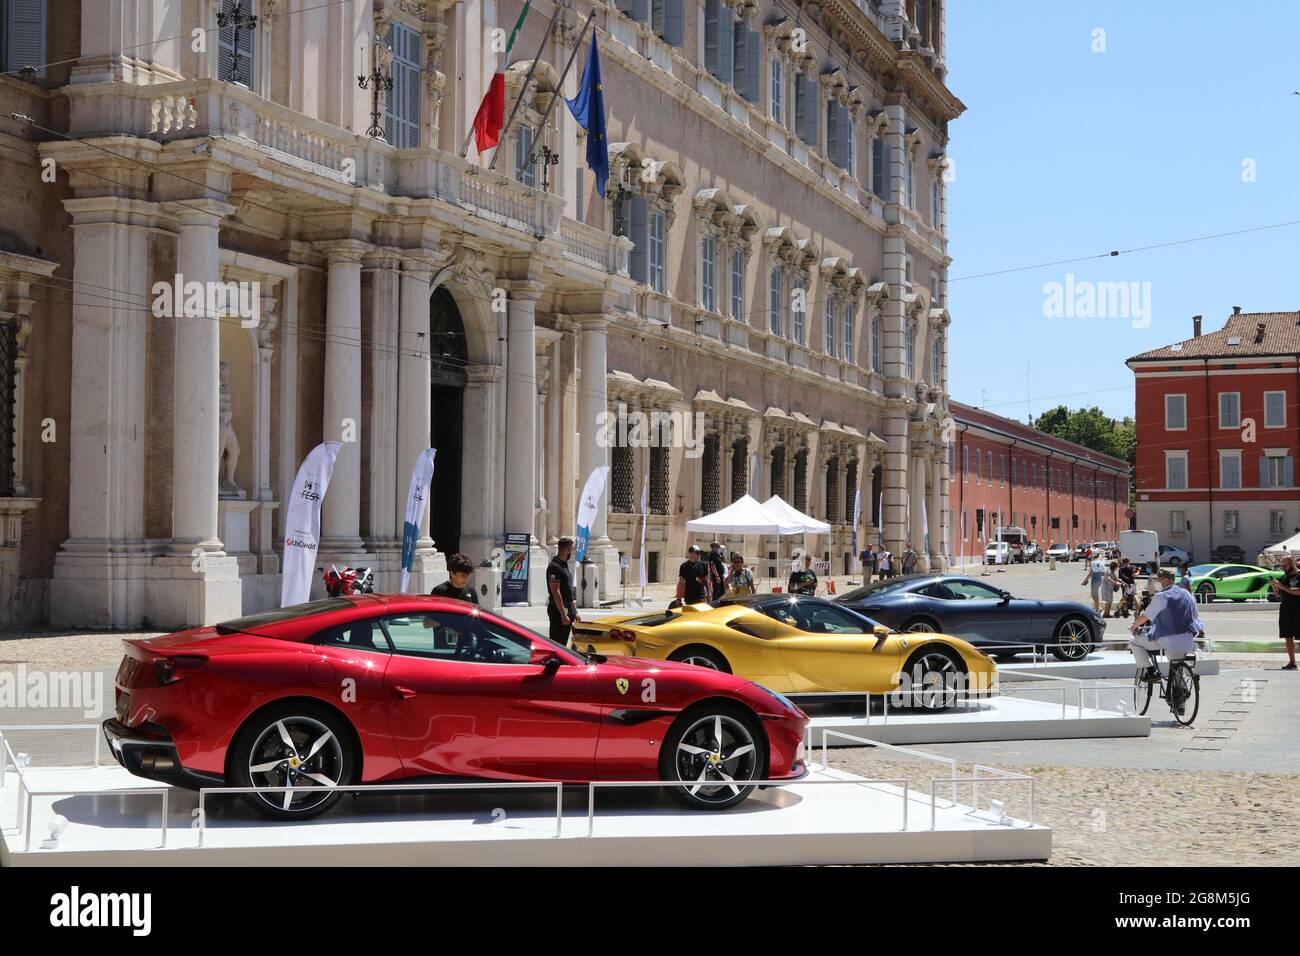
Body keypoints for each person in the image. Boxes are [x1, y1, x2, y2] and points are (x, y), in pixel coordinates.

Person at [1130, 568, 1202, 687]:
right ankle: (1180, 701)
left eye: (1158, 579)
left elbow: (1145, 616)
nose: (1156, 582)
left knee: (1134, 642)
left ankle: (1151, 671)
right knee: (1177, 670)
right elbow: (1195, 615)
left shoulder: (1161, 596)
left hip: (1169, 640)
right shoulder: (1186, 593)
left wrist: (1134, 626)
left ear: (1165, 581)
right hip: (1188, 640)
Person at [1268, 554, 1300, 670]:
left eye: (1285, 565)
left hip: (1298, 609)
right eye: (1282, 565)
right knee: (1287, 636)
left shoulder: (1299, 575)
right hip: (1286, 609)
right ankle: (1292, 662)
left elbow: (1298, 591)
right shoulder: (1284, 577)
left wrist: (1282, 586)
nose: (1283, 567)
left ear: (1292, 563)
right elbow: (1279, 594)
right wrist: (1275, 586)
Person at [545, 537, 579, 647]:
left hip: (567, 609)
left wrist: (575, 611)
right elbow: (556, 591)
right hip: (558, 610)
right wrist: (563, 614)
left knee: (563, 643)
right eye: (572, 550)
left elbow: (568, 591)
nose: (572, 553)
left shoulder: (564, 565)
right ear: (568, 549)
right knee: (556, 643)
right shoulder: (554, 566)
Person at [1080, 548, 1105, 613]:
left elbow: (1091, 572)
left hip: (1095, 580)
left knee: (1095, 596)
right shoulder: (1100, 562)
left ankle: (1097, 610)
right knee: (1092, 594)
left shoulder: (1092, 562)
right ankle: (1098, 607)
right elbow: (1103, 572)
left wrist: (1085, 580)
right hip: (1099, 579)